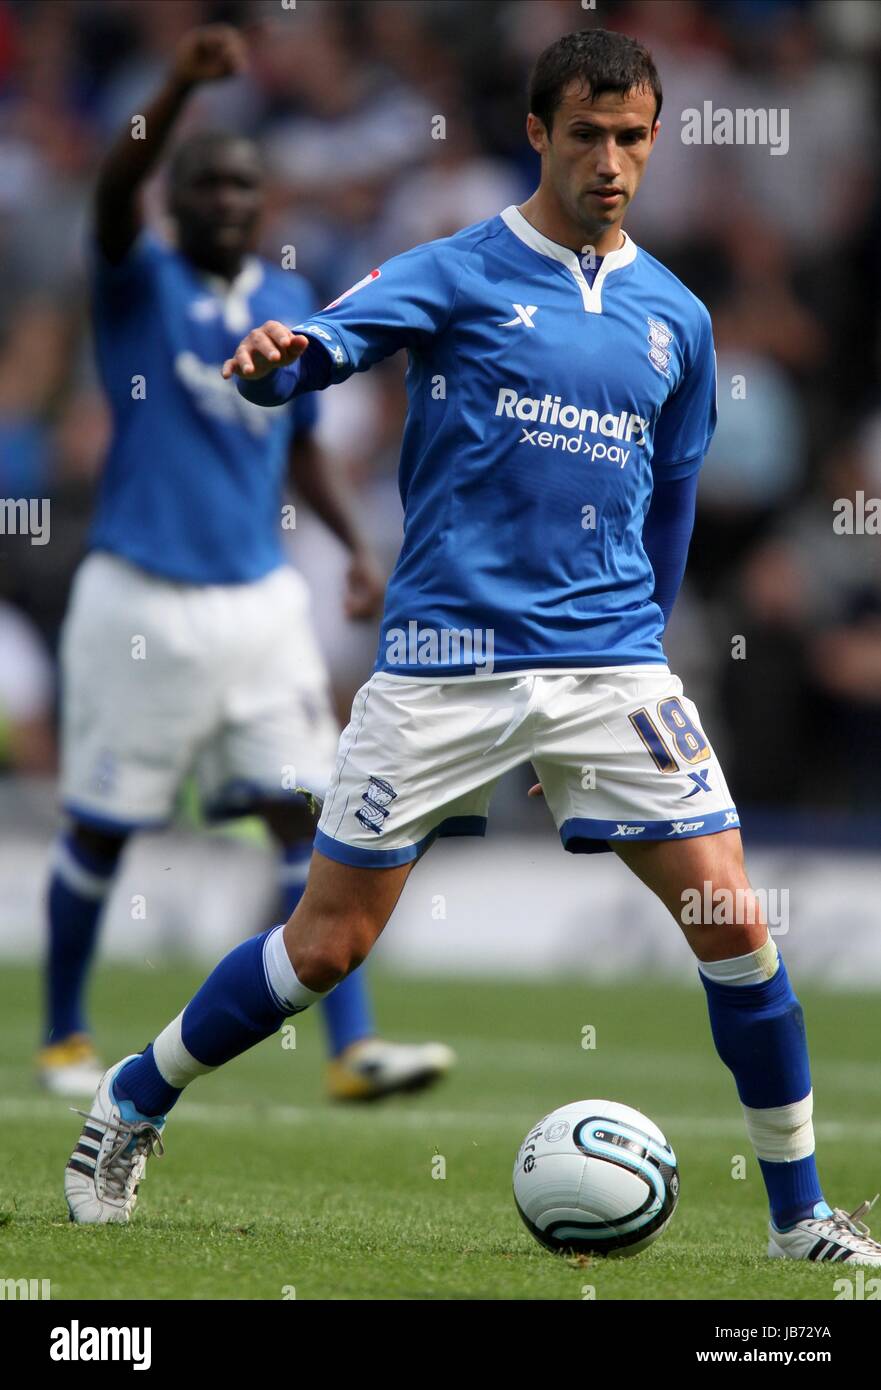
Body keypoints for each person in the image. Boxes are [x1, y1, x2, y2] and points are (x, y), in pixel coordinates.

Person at [65, 27, 880, 1265]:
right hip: (445, 661)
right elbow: (326, 346)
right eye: (588, 135)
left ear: (653, 140)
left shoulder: (676, 316)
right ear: (539, 134)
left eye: (633, 137)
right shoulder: (454, 268)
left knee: (733, 922)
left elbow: (668, 500)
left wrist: (639, 650)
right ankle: (134, 1094)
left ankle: (795, 1219)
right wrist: (283, 362)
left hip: (610, 668)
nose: (611, 161)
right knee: (326, 945)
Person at [42, 25, 453, 1104]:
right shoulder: (138, 283)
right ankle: (62, 1037)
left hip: (260, 598)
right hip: (141, 589)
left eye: (244, 186)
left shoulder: (285, 306)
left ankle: (348, 1050)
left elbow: (301, 444)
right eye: (209, 183)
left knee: (308, 811)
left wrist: (358, 552)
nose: (229, 199)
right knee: (103, 823)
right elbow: (115, 180)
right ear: (174, 201)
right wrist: (178, 82)